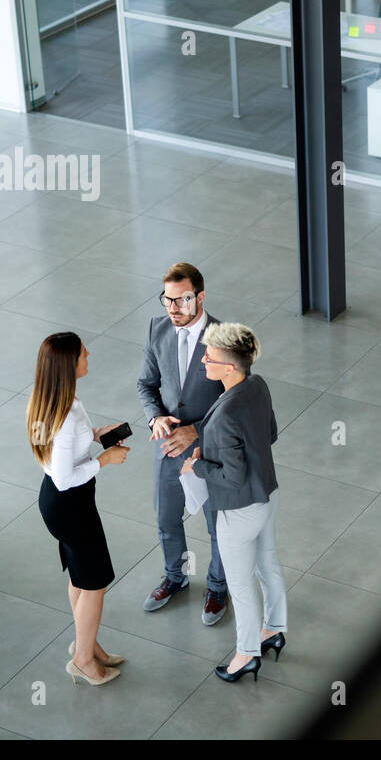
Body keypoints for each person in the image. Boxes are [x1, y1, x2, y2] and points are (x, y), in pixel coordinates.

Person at [181, 322, 286, 683]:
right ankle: (273, 630)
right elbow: (269, 433)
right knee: (268, 565)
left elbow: (231, 477)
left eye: (210, 356)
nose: (204, 359)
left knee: (240, 586)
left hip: (239, 509)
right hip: (267, 494)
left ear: (229, 367)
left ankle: (246, 654)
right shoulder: (257, 386)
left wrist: (199, 465)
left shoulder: (224, 412)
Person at [27, 332, 129, 686]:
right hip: (70, 504)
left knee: (79, 576)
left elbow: (64, 453)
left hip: (63, 504)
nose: (89, 354)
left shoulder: (56, 401)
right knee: (95, 582)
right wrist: (105, 460)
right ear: (69, 365)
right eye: (83, 353)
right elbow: (63, 478)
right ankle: (83, 660)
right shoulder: (66, 416)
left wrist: (99, 435)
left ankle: (87, 644)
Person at [136, 262, 229, 624]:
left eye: (182, 300)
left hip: (211, 451)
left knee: (217, 524)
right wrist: (154, 417)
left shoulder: (224, 338)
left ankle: (217, 587)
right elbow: (146, 384)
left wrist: (199, 432)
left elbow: (237, 405)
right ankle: (175, 578)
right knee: (166, 518)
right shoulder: (157, 328)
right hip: (168, 448)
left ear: (200, 297)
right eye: (167, 300)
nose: (173, 308)